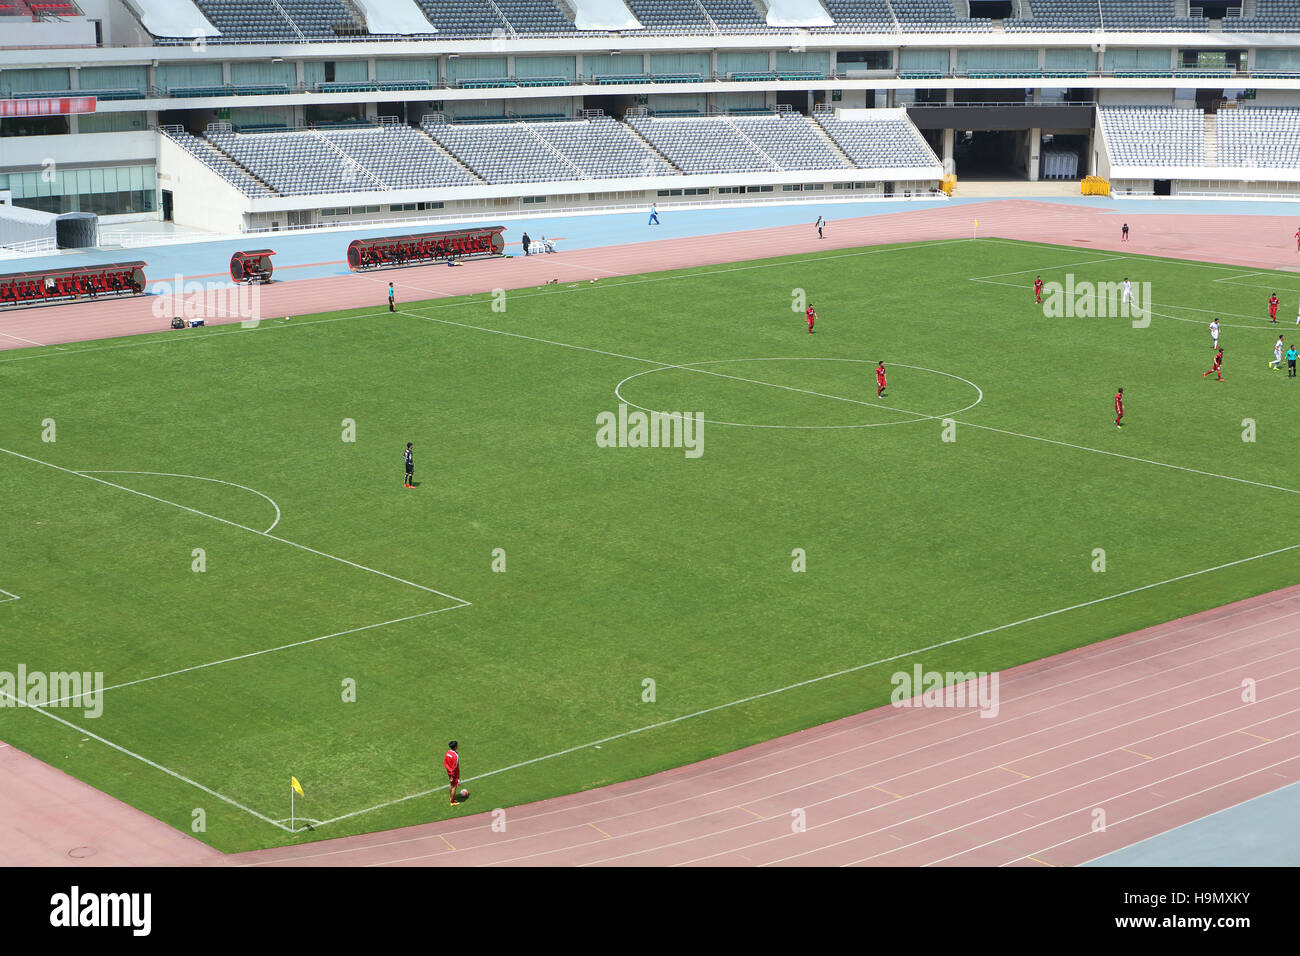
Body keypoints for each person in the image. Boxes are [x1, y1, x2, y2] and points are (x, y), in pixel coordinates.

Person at [444, 740, 461, 807]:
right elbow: (455, 766)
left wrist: (449, 771)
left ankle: (451, 797)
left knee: (451, 784)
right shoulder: (455, 756)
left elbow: (445, 763)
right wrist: (452, 774)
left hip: (449, 771)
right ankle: (452, 801)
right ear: (456, 747)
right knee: (454, 786)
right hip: (454, 773)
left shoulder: (447, 753)